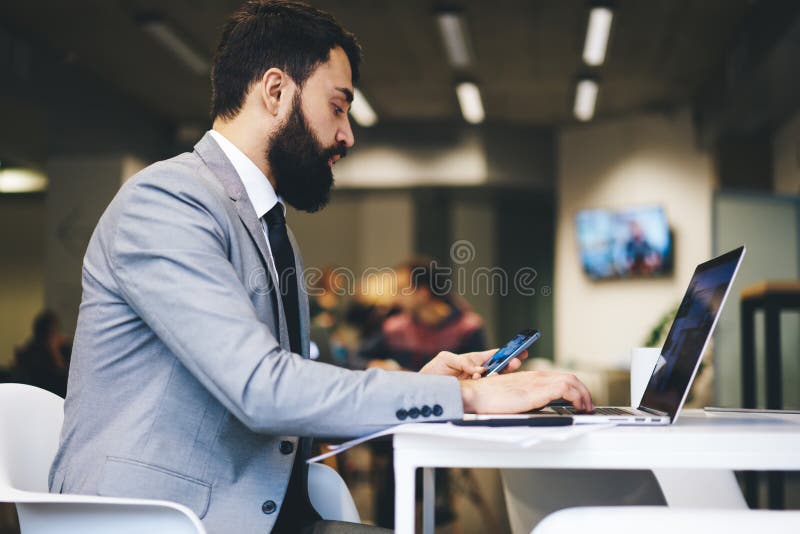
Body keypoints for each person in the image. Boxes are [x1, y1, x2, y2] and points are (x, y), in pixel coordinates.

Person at [48, 2, 593, 533]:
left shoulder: (267, 225)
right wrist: (464, 397)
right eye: (338, 106)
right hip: (166, 517)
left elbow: (287, 389)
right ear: (276, 91)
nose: (348, 134)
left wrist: (416, 385)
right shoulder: (166, 201)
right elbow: (263, 389)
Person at [13, 310, 71, 398]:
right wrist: (55, 352)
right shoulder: (33, 352)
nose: (58, 334)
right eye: (54, 331)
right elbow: (59, 380)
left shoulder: (63, 348)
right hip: (43, 396)